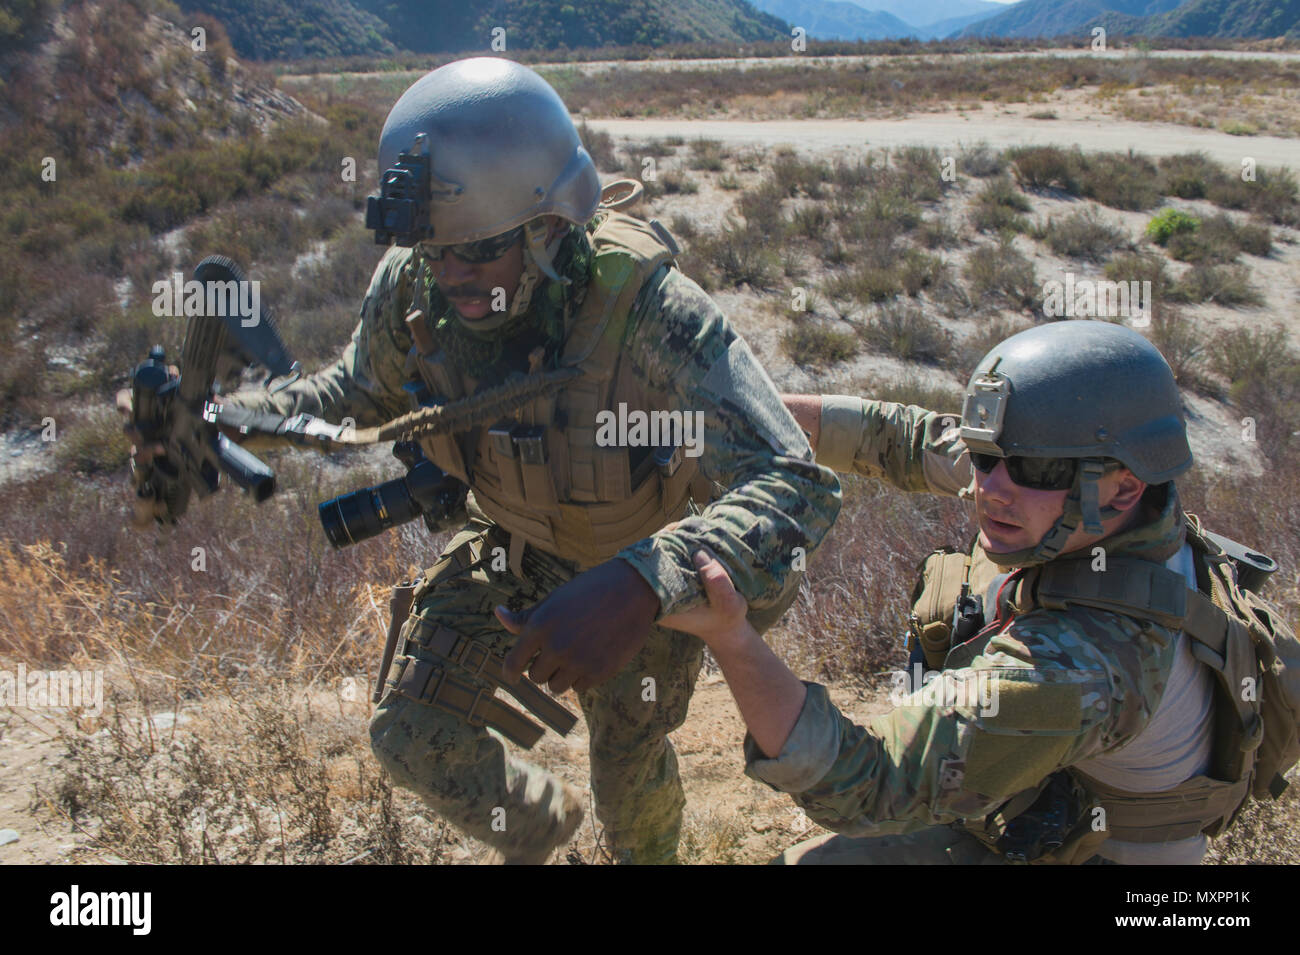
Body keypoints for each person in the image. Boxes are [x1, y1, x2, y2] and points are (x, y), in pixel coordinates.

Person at [121, 57, 840, 864]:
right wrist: (229, 418)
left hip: (653, 564)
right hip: (515, 550)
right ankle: (541, 831)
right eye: (435, 252)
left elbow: (795, 480)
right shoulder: (418, 283)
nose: (453, 277)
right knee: (409, 735)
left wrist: (640, 583)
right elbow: (352, 394)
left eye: (479, 254)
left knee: (628, 778)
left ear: (551, 225)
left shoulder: (647, 307)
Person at [661, 319, 1294, 865]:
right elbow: (900, 437)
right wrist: (734, 418)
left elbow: (872, 787)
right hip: (1056, 781)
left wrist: (731, 637)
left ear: (1123, 487)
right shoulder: (1093, 493)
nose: (989, 487)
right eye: (984, 456)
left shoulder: (1083, 661)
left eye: (1027, 468)